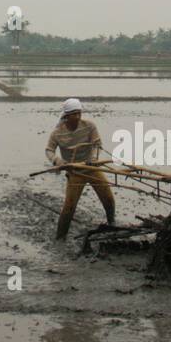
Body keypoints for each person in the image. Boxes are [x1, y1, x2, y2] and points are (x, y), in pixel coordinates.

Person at [45, 98, 115, 239]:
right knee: (69, 207)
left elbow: (97, 144)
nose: (77, 117)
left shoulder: (89, 126)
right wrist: (58, 161)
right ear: (66, 115)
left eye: (79, 113)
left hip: (91, 168)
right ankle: (60, 236)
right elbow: (49, 150)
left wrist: (93, 159)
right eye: (74, 114)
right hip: (74, 171)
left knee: (108, 198)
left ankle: (112, 224)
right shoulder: (57, 133)